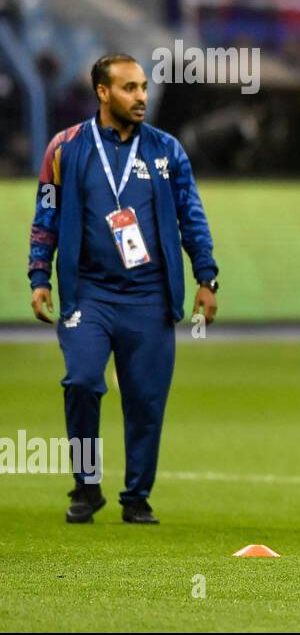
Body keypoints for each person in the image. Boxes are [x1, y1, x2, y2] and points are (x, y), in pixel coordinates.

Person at [28, 53, 218, 525]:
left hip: (149, 296)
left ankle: (136, 497)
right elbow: (46, 214)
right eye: (130, 88)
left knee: (146, 400)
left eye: (144, 88)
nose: (141, 97)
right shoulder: (64, 147)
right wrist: (38, 276)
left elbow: (191, 214)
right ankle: (86, 484)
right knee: (82, 381)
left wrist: (206, 276)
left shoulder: (167, 151)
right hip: (87, 294)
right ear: (103, 92)